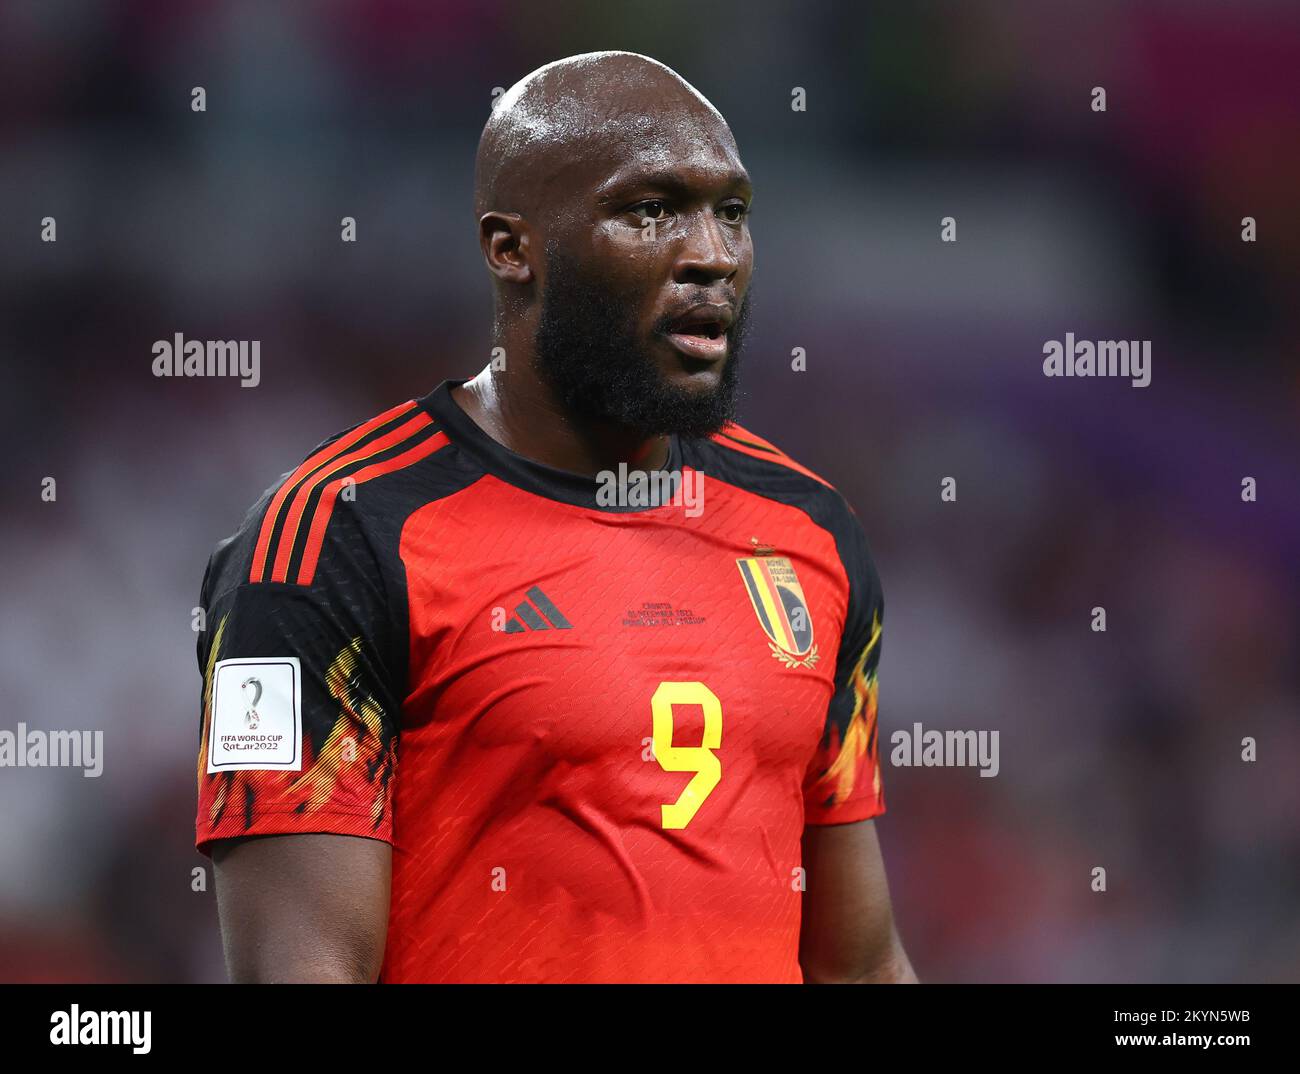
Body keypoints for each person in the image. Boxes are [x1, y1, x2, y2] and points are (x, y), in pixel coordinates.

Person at [196, 50, 915, 984]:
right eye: (650, 210)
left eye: (731, 212)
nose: (713, 255)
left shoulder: (810, 530)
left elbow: (857, 964)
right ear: (512, 248)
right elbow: (303, 971)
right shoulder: (331, 540)